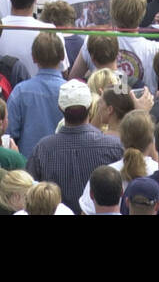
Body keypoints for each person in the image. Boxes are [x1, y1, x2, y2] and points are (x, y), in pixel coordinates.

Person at [26, 80, 119, 214]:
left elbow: (31, 192)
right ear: (91, 105)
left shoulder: (43, 149)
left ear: (60, 107)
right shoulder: (113, 147)